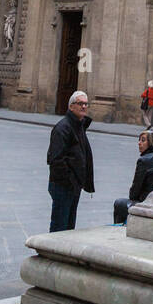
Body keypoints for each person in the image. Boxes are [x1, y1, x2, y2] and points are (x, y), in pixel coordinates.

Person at [46, 90, 94, 233]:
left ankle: (62, 253)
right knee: (59, 225)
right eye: (80, 103)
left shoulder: (79, 126)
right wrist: (71, 180)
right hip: (63, 185)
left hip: (73, 186)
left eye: (86, 104)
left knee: (69, 226)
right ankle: (52, 252)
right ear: (71, 106)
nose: (84, 107)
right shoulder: (63, 128)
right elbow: (55, 160)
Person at [113, 131, 153, 225]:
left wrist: (134, 198)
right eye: (139, 140)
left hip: (145, 202)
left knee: (119, 203)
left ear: (150, 143)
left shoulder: (143, 161)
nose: (139, 143)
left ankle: (119, 230)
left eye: (143, 140)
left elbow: (135, 189)